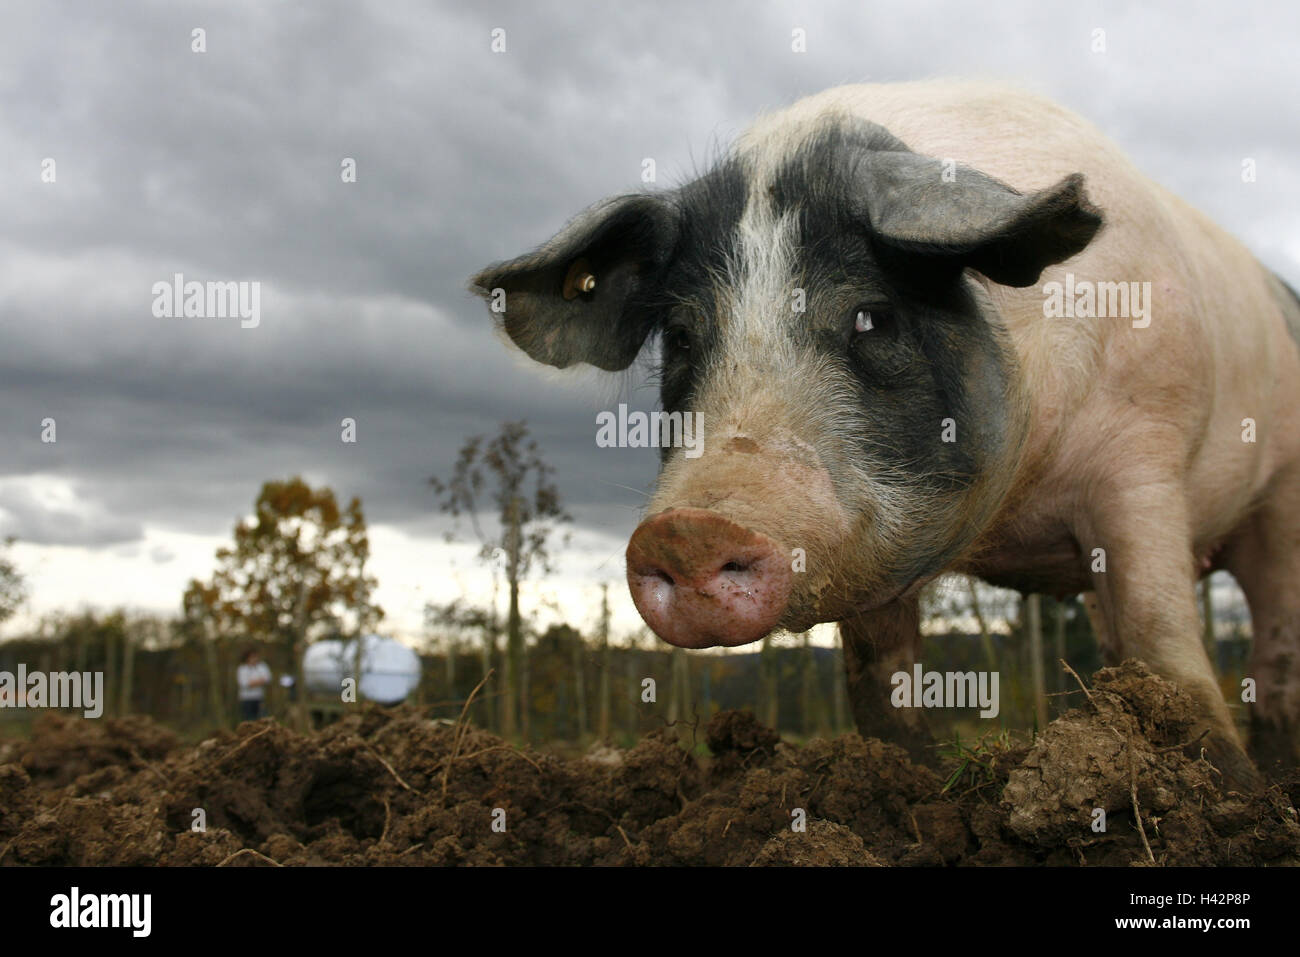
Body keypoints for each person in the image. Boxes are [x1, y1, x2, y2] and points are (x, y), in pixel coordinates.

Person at [236, 648, 272, 722]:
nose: (254, 659)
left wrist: (253, 682)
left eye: (256, 657)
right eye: (252, 657)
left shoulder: (262, 666)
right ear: (247, 658)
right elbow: (244, 683)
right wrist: (259, 681)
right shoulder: (242, 669)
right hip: (246, 699)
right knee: (249, 720)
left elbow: (268, 679)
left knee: (262, 719)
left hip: (259, 697)